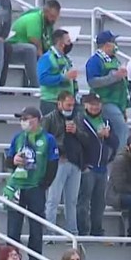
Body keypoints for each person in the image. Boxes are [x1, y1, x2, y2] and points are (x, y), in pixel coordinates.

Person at [3, 106, 59, 260]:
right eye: (22, 119)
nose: (24, 122)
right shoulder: (18, 138)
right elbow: (8, 161)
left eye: (27, 118)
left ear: (37, 119)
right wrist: (13, 160)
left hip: (36, 187)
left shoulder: (48, 139)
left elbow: (52, 164)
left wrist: (44, 184)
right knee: (13, 228)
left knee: (36, 228)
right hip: (18, 187)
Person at [75, 93, 119, 237]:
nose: (95, 107)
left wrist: (108, 136)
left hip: (102, 168)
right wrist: (83, 165)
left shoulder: (106, 121)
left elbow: (115, 143)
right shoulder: (80, 121)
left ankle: (97, 230)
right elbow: (78, 143)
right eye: (91, 104)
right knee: (84, 201)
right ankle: (83, 231)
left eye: (97, 103)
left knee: (99, 203)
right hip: (88, 168)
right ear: (85, 105)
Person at [43, 92, 84, 233]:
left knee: (72, 201)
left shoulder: (78, 118)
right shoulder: (49, 119)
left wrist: (76, 131)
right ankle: (50, 233)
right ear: (59, 103)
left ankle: (72, 231)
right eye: (68, 104)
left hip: (75, 163)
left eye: (72, 105)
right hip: (58, 162)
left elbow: (86, 140)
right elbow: (43, 141)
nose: (70, 108)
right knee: (53, 199)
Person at [84, 30, 130, 147]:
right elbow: (93, 82)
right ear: (106, 44)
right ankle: (120, 159)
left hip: (117, 102)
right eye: (113, 42)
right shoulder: (94, 60)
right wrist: (115, 76)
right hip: (105, 101)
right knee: (122, 130)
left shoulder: (114, 59)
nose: (116, 45)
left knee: (115, 133)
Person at [8, 1, 60, 91]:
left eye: (56, 17)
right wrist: (45, 58)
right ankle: (35, 86)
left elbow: (49, 43)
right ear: (45, 12)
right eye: (52, 16)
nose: (54, 20)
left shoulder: (48, 23)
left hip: (26, 47)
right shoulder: (34, 19)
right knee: (31, 50)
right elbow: (34, 41)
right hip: (11, 47)